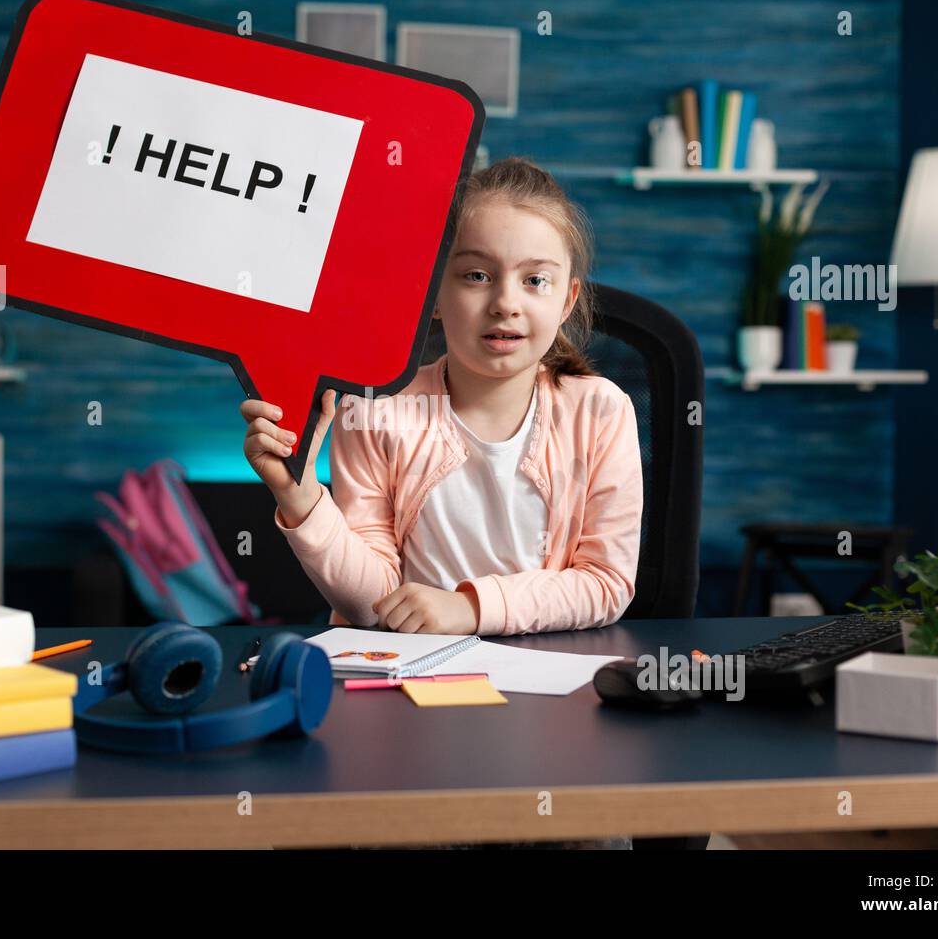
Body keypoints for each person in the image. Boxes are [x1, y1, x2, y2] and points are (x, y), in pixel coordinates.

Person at [240, 156, 643, 639]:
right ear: (431, 294)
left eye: (535, 280)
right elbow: (371, 605)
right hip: (413, 679)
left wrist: (469, 609)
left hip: (551, 675)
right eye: (476, 275)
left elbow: (605, 583)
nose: (506, 303)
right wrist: (301, 498)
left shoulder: (601, 410)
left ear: (567, 301)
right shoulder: (373, 412)